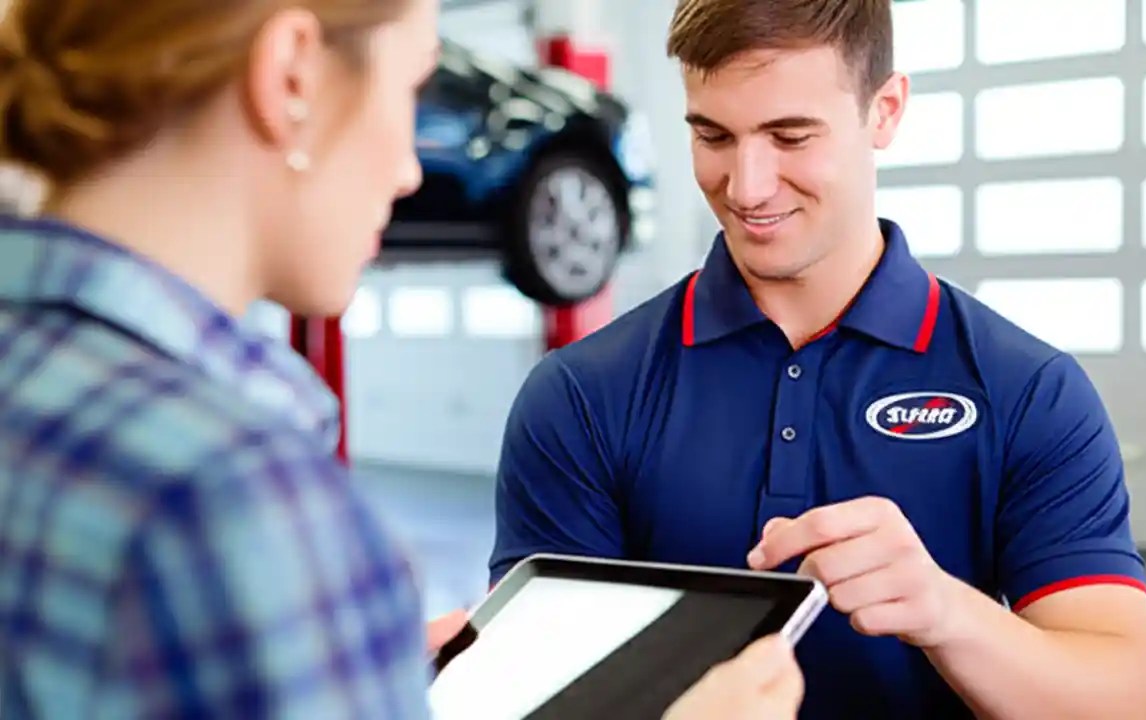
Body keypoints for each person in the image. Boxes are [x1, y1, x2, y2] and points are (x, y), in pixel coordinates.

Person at [0, 0, 804, 717]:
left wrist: (345, 679)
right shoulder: (242, 497)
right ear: (291, 76)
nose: (410, 169)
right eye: (412, 88)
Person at [489, 0, 1146, 718]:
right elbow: (534, 698)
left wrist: (945, 611)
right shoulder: (581, 396)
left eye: (790, 136)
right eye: (713, 135)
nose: (746, 187)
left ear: (885, 111)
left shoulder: (1028, 392)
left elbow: (1125, 702)